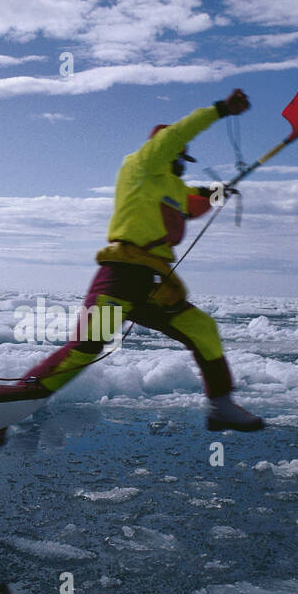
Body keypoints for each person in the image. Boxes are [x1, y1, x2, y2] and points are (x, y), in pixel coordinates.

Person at [23, 89, 264, 431]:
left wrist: (218, 193)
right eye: (180, 156)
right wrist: (221, 109)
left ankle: (221, 407)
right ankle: (18, 398)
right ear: (169, 149)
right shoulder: (140, 165)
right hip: (120, 277)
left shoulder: (173, 187)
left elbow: (192, 202)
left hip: (154, 284)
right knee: (85, 348)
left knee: (203, 330)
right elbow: (178, 134)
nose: (182, 162)